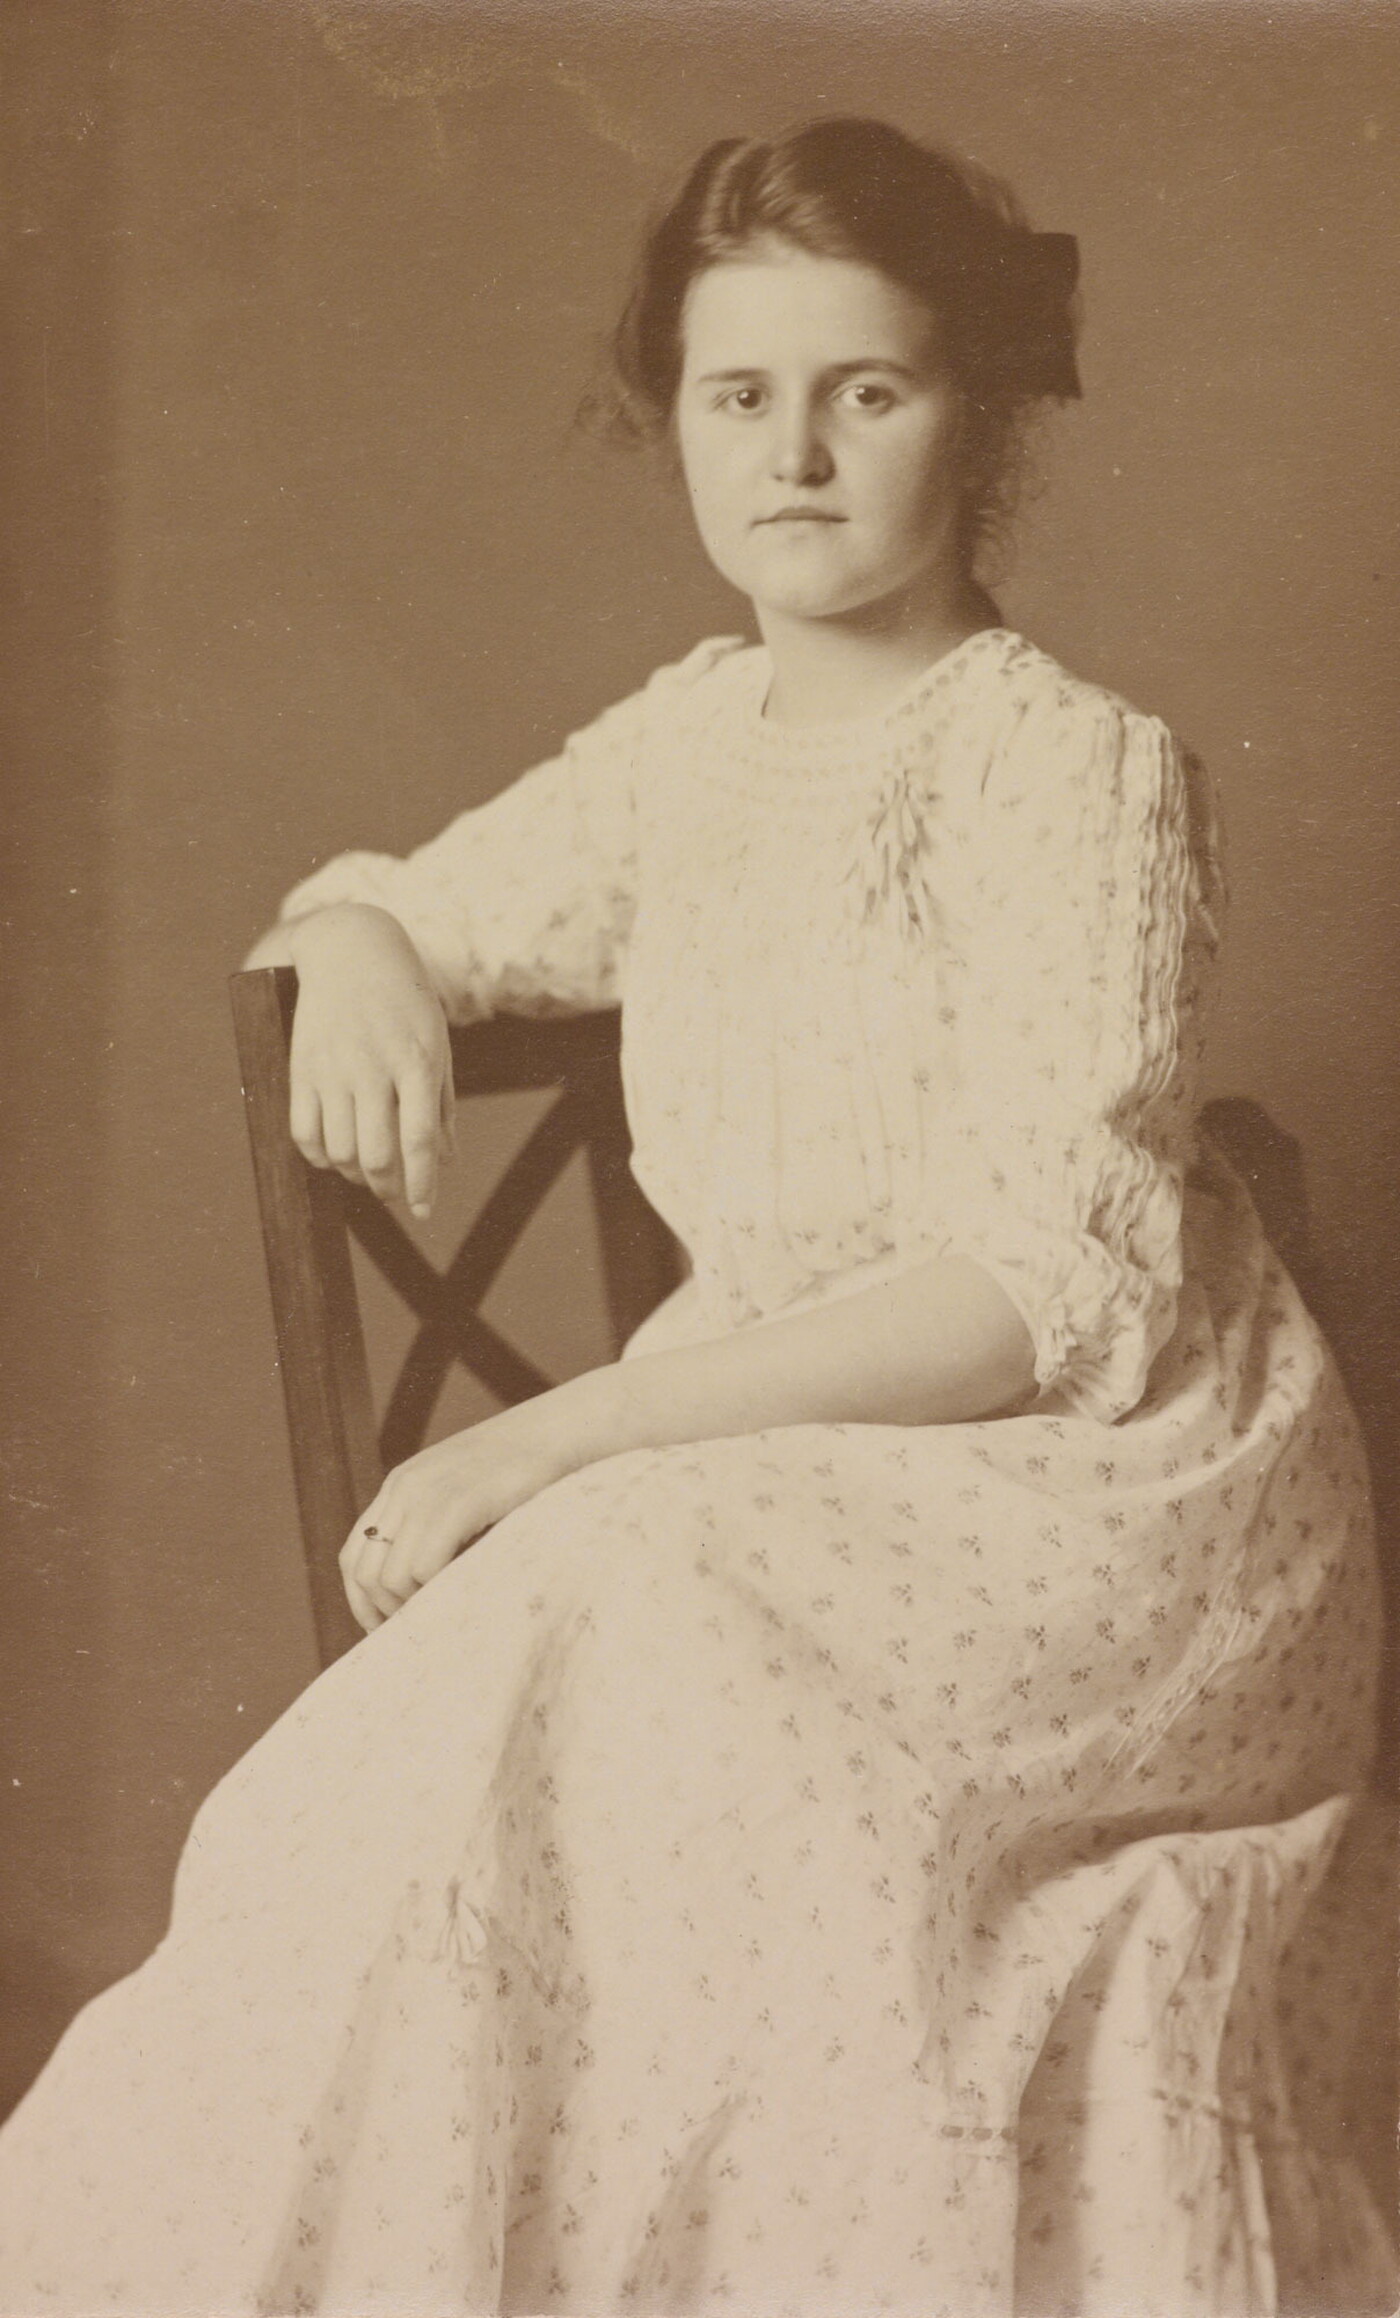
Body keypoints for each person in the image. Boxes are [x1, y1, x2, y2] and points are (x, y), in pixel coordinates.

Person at [0, 117, 1390, 2318]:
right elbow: (404, 901)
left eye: (871, 389)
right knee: (458, 1738)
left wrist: (555, 1434)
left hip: (1094, 1478)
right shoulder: (689, 745)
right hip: (772, 1456)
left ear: (982, 417)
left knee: (590, 1593)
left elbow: (1044, 1293)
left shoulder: (1073, 766)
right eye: (740, 396)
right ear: (673, 417)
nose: (799, 457)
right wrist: (354, 930)